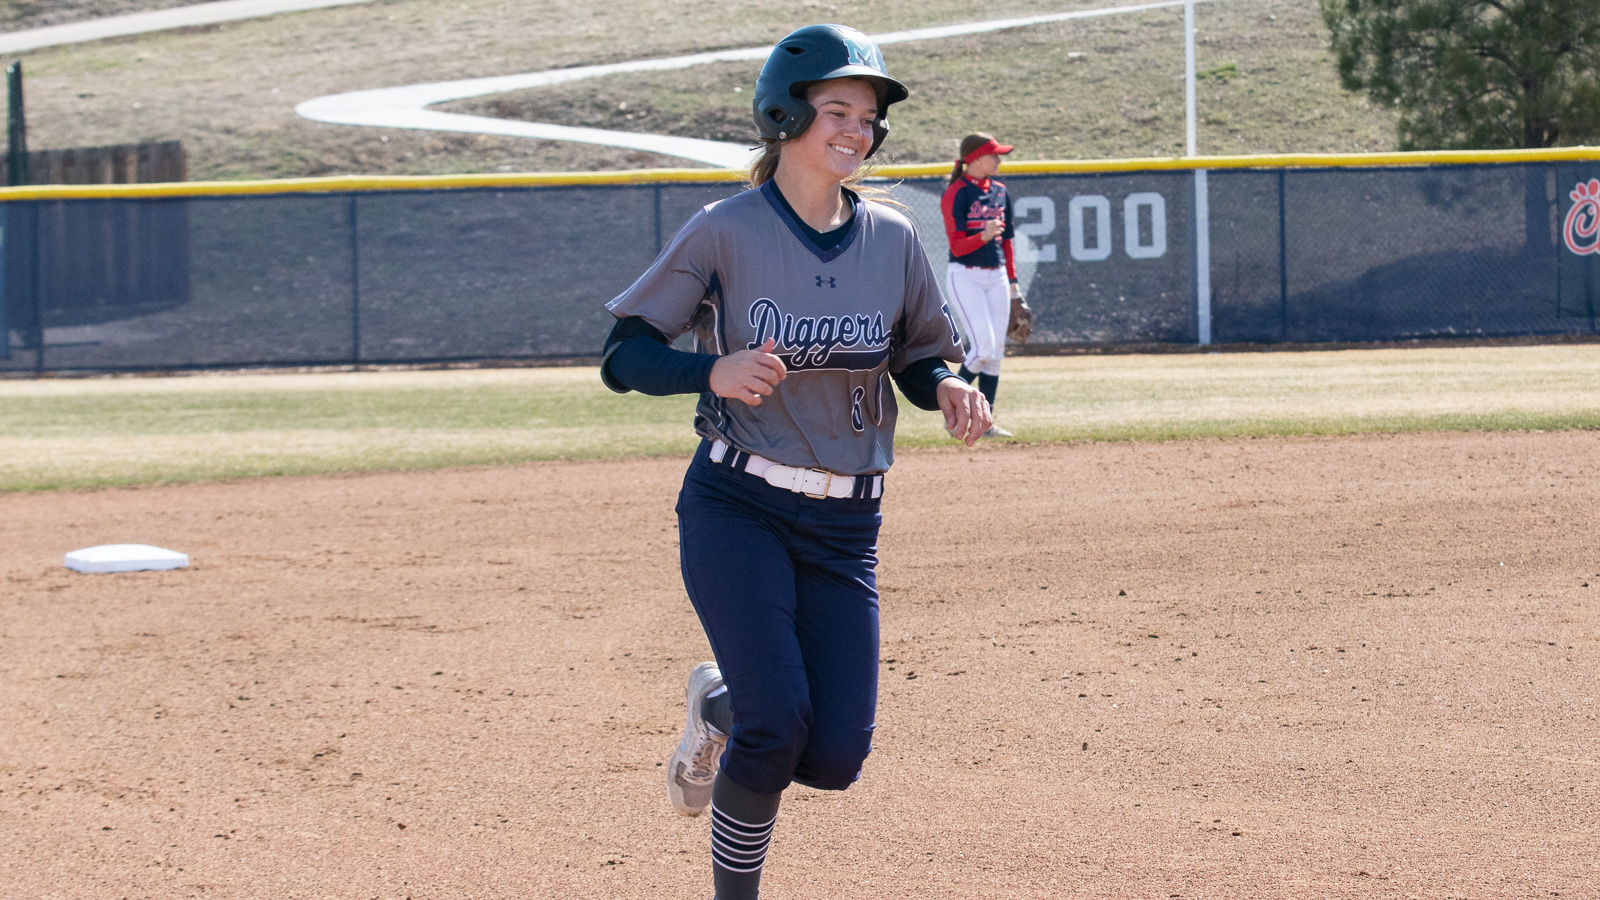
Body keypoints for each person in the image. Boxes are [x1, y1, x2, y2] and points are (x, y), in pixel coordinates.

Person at [597, 24, 991, 900]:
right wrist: (712, 369)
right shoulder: (726, 231)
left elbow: (923, 356)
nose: (857, 129)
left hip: (848, 522)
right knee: (777, 730)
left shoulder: (891, 237)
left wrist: (952, 387)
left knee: (835, 754)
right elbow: (623, 356)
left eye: (868, 116)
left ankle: (719, 706)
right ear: (785, 115)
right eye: (837, 110)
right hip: (739, 506)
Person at [941, 132, 1023, 437]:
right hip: (966, 275)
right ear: (975, 159)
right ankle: (950, 411)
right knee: (983, 347)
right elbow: (958, 246)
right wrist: (983, 236)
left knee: (997, 351)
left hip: (998, 274)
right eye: (994, 154)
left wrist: (1014, 285)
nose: (999, 159)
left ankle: (986, 422)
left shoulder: (1001, 192)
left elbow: (1009, 243)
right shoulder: (956, 193)